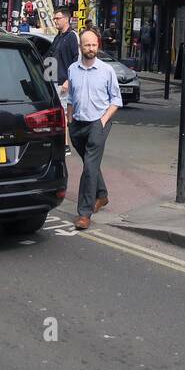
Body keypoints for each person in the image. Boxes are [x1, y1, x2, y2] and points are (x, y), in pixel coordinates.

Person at [65, 29, 122, 230]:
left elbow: (116, 100)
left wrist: (103, 120)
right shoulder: (73, 69)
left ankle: (84, 213)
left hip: (98, 123)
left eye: (94, 45)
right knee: (91, 164)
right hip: (77, 124)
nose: (91, 48)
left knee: (89, 167)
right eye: (87, 45)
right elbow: (71, 97)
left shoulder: (107, 71)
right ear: (80, 47)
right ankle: (102, 195)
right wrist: (69, 119)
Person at [51, 9, 81, 156]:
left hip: (64, 83)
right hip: (54, 81)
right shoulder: (58, 37)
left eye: (57, 18)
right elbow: (50, 58)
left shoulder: (72, 37)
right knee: (57, 113)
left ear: (66, 19)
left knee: (63, 113)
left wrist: (69, 81)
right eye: (54, 18)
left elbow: (77, 60)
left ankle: (65, 145)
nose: (55, 21)